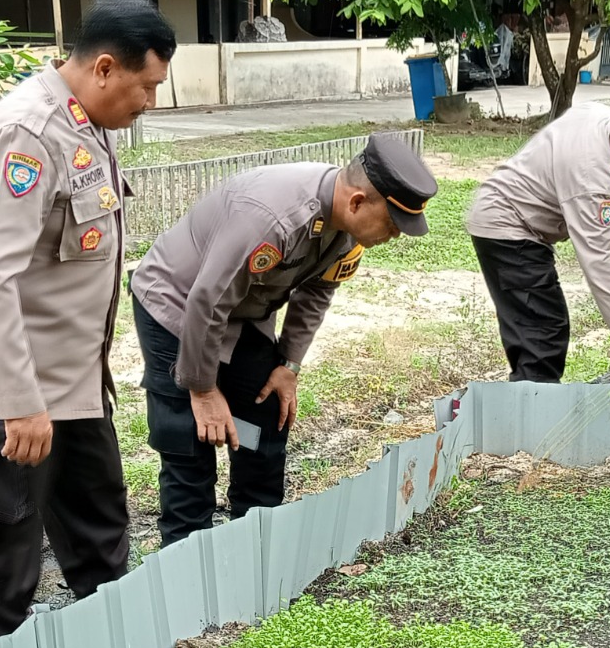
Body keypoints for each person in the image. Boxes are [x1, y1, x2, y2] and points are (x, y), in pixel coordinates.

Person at [0, 0, 175, 648]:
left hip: (74, 390)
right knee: (3, 563)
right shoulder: (25, 133)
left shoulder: (86, 124)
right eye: (145, 86)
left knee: (101, 537)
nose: (148, 102)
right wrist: (19, 403)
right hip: (8, 399)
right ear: (103, 69)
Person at [131, 134, 439, 546]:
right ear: (358, 202)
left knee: (264, 413)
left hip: (242, 313)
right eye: (392, 224)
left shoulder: (350, 232)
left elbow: (318, 292)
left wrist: (288, 365)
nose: (395, 236)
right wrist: (203, 391)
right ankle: (186, 558)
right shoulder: (271, 219)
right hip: (178, 305)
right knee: (192, 436)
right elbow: (207, 301)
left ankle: (256, 542)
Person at [467, 98, 610, 382]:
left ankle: (526, 405)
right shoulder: (590, 177)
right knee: (542, 335)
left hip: (509, 220)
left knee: (539, 328)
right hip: (509, 225)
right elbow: (599, 258)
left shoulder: (602, 116)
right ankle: (532, 417)